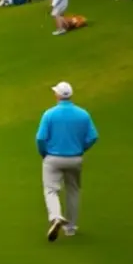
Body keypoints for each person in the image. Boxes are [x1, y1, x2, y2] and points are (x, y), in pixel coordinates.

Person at [36, 82, 98, 241]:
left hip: (53, 157)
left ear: (57, 95)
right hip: (75, 158)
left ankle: (56, 216)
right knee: (73, 190)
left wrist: (44, 153)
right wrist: (81, 148)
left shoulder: (49, 114)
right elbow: (93, 137)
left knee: (51, 190)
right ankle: (70, 228)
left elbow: (40, 138)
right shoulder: (83, 114)